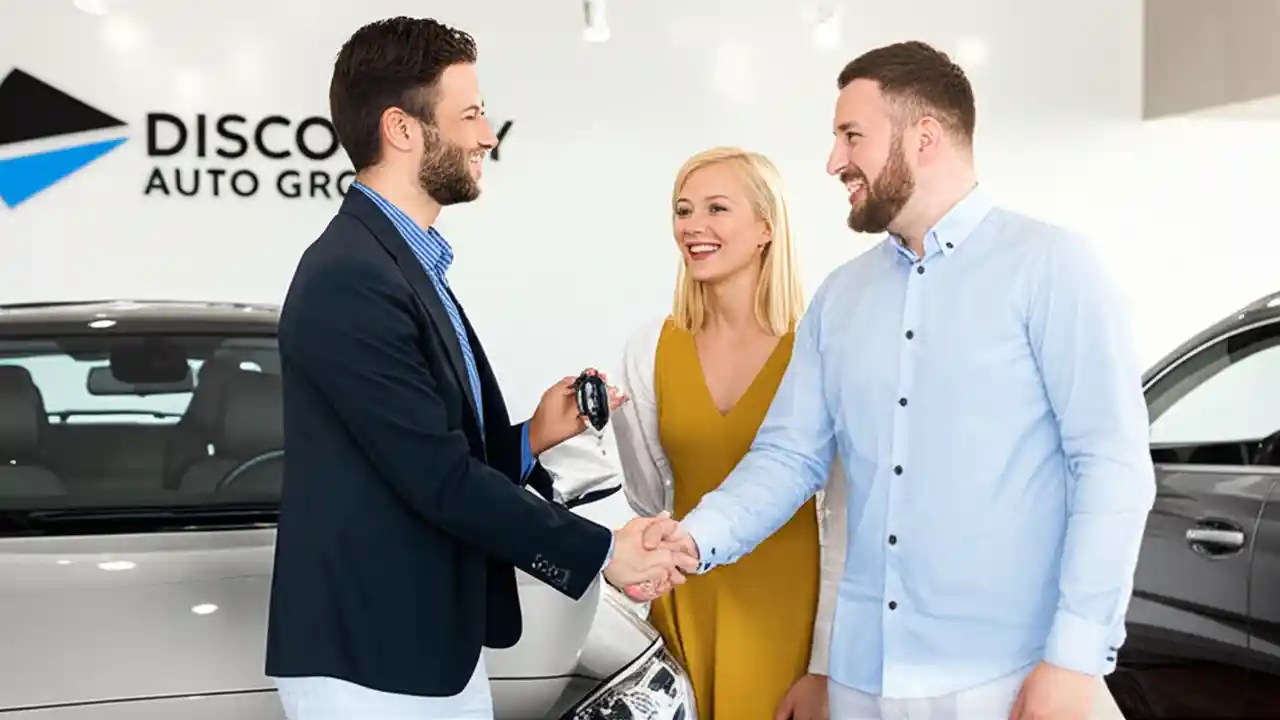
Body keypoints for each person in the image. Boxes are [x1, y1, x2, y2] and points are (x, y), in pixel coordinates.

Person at [647, 41, 1155, 720]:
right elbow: (788, 459)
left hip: (1009, 676)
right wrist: (694, 537)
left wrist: (1074, 657)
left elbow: (1112, 466)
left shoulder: (1051, 267)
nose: (833, 162)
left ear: (924, 137)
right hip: (868, 680)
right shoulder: (841, 298)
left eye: (851, 136)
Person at [263, 17, 694, 720]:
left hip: (421, 649)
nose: (488, 134)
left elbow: (423, 455)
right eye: (469, 114)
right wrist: (601, 552)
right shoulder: (352, 277)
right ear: (403, 130)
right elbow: (437, 480)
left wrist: (532, 439)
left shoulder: (400, 263)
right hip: (373, 659)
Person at [610, 146, 848, 720]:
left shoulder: (820, 347)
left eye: (717, 209)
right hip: (684, 603)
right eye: (683, 210)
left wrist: (824, 666)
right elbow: (649, 496)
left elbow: (844, 519)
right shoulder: (650, 348)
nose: (694, 227)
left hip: (792, 610)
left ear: (767, 227)